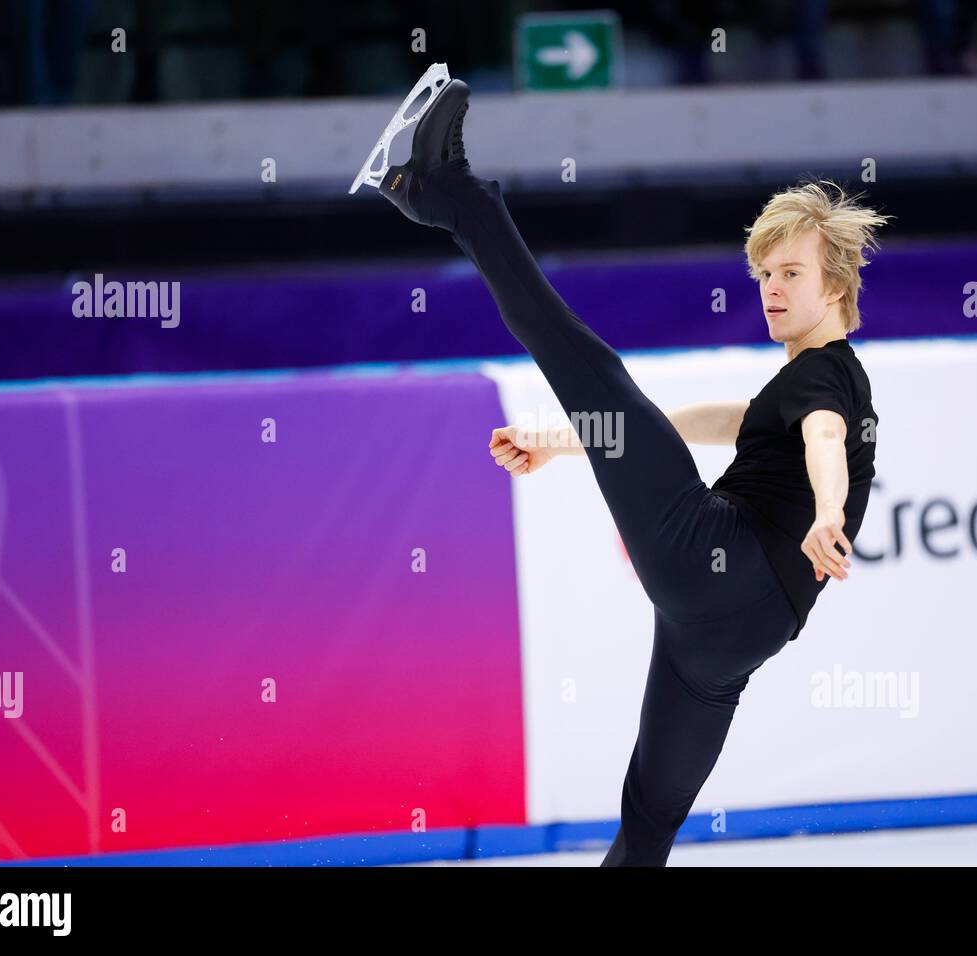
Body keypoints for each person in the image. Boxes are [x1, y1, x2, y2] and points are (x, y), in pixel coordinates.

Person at [373, 76, 889, 866]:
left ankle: (450, 195)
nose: (772, 290)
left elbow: (824, 441)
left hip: (719, 568)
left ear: (836, 286)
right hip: (729, 638)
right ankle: (444, 195)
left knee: (586, 361)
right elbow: (709, 425)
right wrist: (566, 439)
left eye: (791, 273)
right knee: (648, 823)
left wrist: (828, 512)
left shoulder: (825, 380)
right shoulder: (810, 381)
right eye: (765, 275)